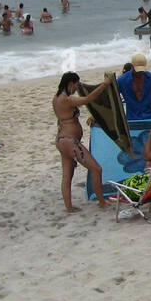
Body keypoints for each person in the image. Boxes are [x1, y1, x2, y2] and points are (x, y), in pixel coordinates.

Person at [52, 72, 111, 212]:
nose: (76, 89)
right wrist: (105, 84)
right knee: (96, 169)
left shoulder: (56, 98)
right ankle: (102, 203)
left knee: (67, 176)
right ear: (70, 84)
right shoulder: (66, 99)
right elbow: (89, 99)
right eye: (76, 85)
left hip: (62, 140)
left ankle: (69, 208)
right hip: (69, 142)